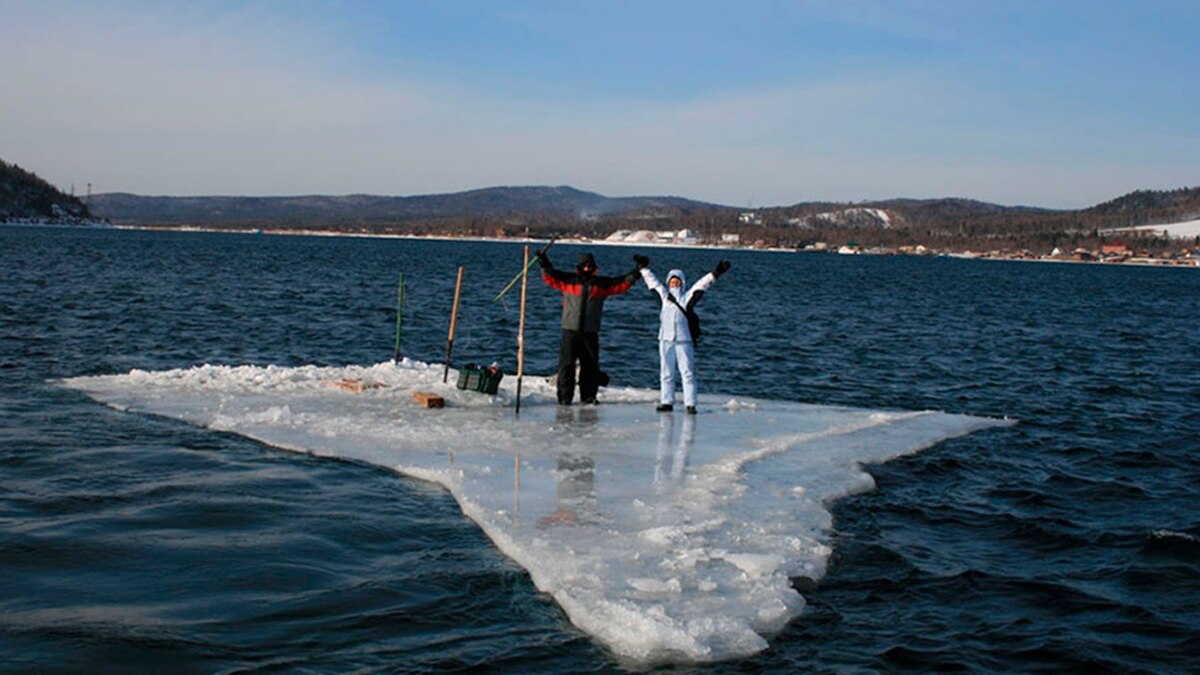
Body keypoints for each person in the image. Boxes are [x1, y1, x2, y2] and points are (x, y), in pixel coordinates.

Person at [538, 251, 645, 405]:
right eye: (584, 265)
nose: (587, 268)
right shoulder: (569, 281)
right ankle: (565, 398)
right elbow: (550, 276)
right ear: (579, 267)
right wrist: (543, 261)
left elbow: (621, 283)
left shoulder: (600, 284)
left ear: (594, 267)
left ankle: (588, 396)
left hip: (590, 332)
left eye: (590, 266)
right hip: (570, 330)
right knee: (566, 365)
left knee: (590, 365)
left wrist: (638, 270)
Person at [637, 256, 731, 414]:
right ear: (668, 283)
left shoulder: (687, 299)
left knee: (687, 372)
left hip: (684, 340)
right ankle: (667, 401)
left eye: (677, 282)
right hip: (665, 339)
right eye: (672, 282)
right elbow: (653, 283)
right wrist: (643, 269)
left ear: (682, 283)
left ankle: (690, 404)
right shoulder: (664, 298)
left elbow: (701, 285)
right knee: (666, 372)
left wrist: (715, 273)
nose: (674, 285)